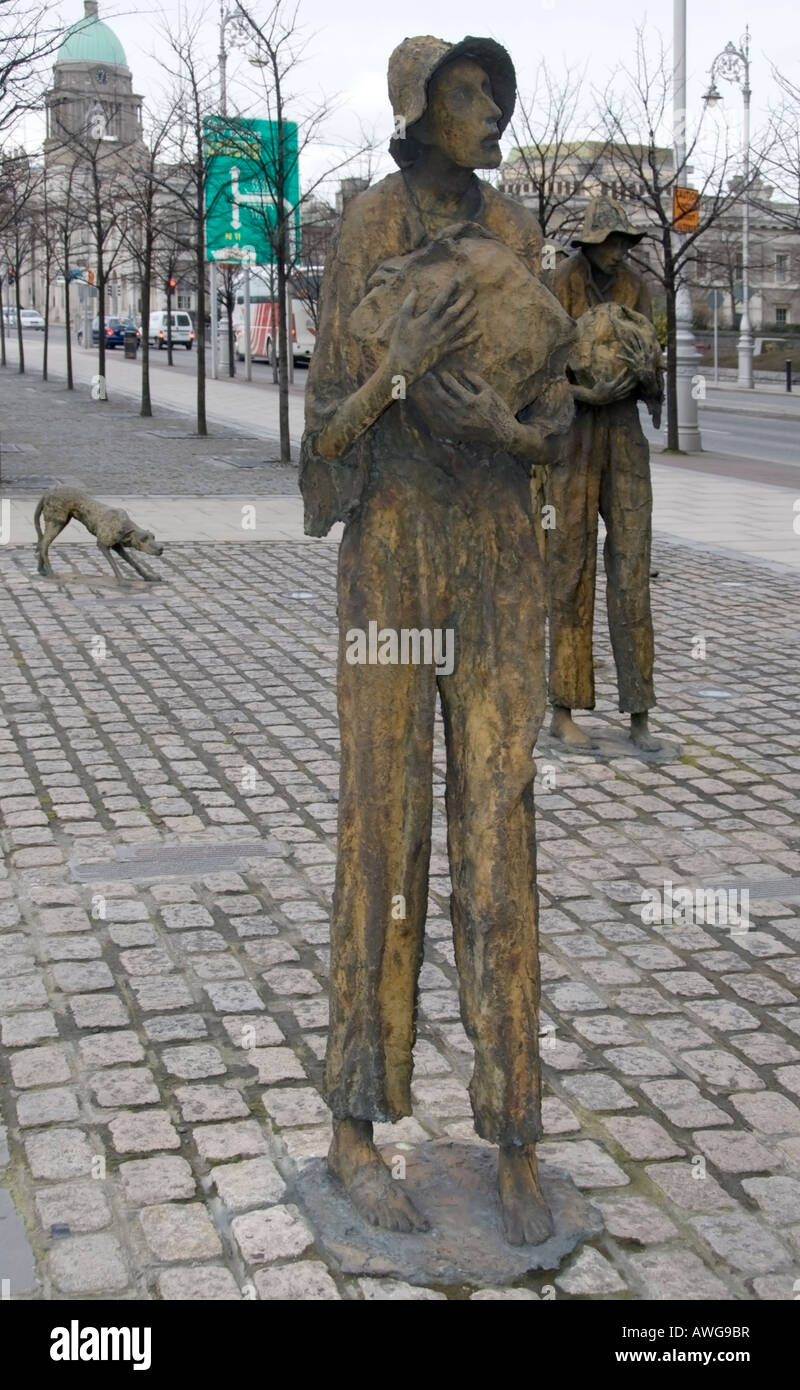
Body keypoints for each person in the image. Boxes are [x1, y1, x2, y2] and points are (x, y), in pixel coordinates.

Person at [300, 34, 575, 1245]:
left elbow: (560, 406)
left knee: (498, 815)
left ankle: (514, 1128)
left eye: (499, 93)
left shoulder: (516, 233)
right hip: (396, 546)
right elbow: (319, 442)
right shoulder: (365, 223)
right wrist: (397, 379)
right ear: (421, 110)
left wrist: (510, 431)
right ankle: (355, 1124)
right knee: (383, 820)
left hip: (498, 550)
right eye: (471, 93)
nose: (493, 110)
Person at [547, 197, 661, 752]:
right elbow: (534, 375)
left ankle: (639, 709)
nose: (619, 252)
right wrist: (584, 391)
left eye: (625, 242)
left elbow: (655, 367)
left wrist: (646, 377)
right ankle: (563, 708)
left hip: (624, 435)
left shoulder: (637, 289)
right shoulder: (558, 284)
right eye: (611, 242)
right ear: (590, 243)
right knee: (570, 568)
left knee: (632, 566)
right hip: (573, 435)